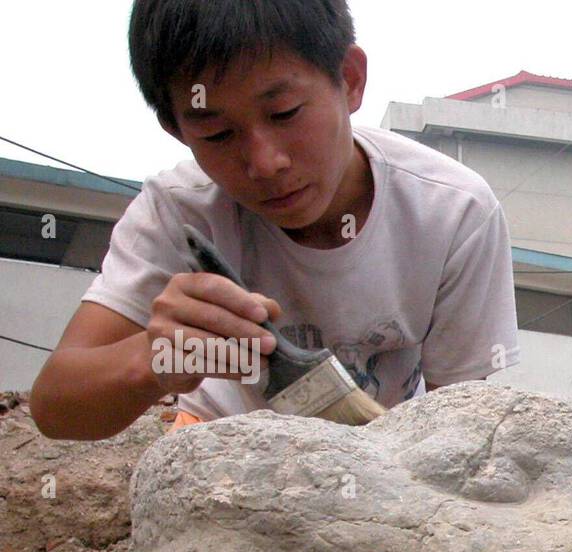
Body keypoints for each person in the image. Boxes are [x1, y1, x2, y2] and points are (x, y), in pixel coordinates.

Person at [30, 0, 520, 440]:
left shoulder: (454, 214)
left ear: (350, 79)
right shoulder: (179, 213)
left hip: (380, 458)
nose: (264, 164)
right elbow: (57, 408)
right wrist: (150, 358)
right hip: (220, 453)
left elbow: (455, 427)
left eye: (284, 113)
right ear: (178, 130)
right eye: (218, 134)